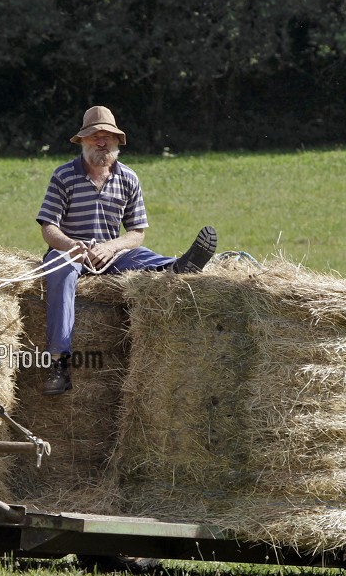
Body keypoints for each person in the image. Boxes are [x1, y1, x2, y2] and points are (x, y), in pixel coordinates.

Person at [36, 105, 216, 396]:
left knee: (146, 258)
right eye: (95, 136)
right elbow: (48, 227)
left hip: (111, 252)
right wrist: (71, 246)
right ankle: (59, 364)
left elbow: (137, 233)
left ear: (117, 141)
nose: (102, 142)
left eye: (108, 136)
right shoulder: (63, 176)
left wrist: (111, 247)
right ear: (83, 141)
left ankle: (179, 267)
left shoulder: (128, 178)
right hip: (69, 252)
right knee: (61, 271)